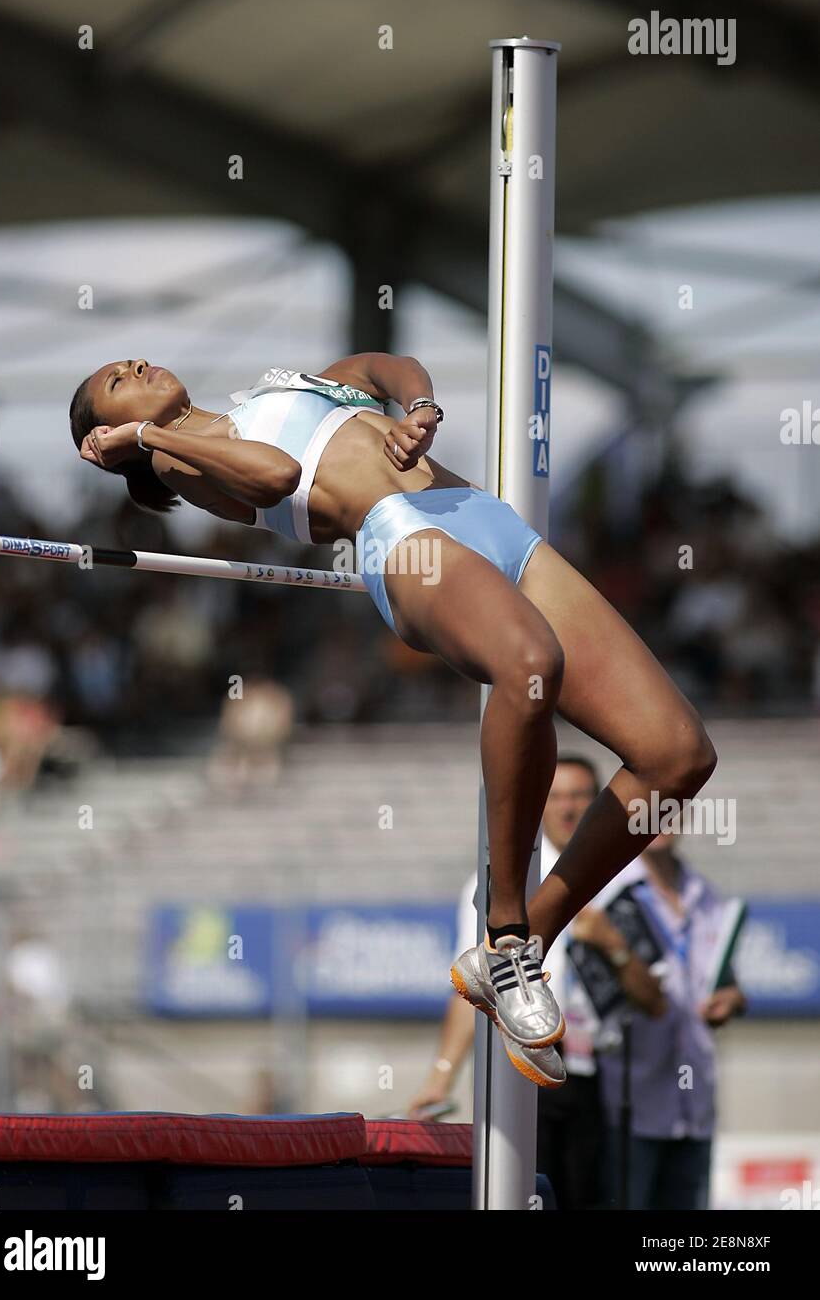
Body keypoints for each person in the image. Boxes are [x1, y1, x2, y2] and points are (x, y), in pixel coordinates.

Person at [70, 353, 717, 1082]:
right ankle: (506, 928)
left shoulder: (279, 385)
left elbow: (385, 365)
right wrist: (151, 444)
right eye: (117, 384)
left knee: (677, 754)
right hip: (407, 540)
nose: (132, 364)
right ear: (114, 437)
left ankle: (519, 947)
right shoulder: (192, 467)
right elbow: (278, 477)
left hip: (486, 520)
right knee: (529, 667)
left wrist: (419, 410)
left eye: (128, 361)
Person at [410, 756, 665, 1209]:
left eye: (580, 797)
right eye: (557, 797)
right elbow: (474, 984)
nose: (568, 808)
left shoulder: (629, 879)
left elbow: (657, 1000)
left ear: (600, 804)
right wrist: (440, 1078)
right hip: (522, 1062)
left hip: (603, 1075)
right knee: (525, 1192)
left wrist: (613, 944)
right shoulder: (504, 880)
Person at [597, 827, 747, 1210]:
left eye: (673, 807)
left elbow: (724, 980)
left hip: (695, 1101)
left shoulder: (704, 893)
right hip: (629, 1102)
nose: (662, 820)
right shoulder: (609, 892)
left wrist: (731, 1000)